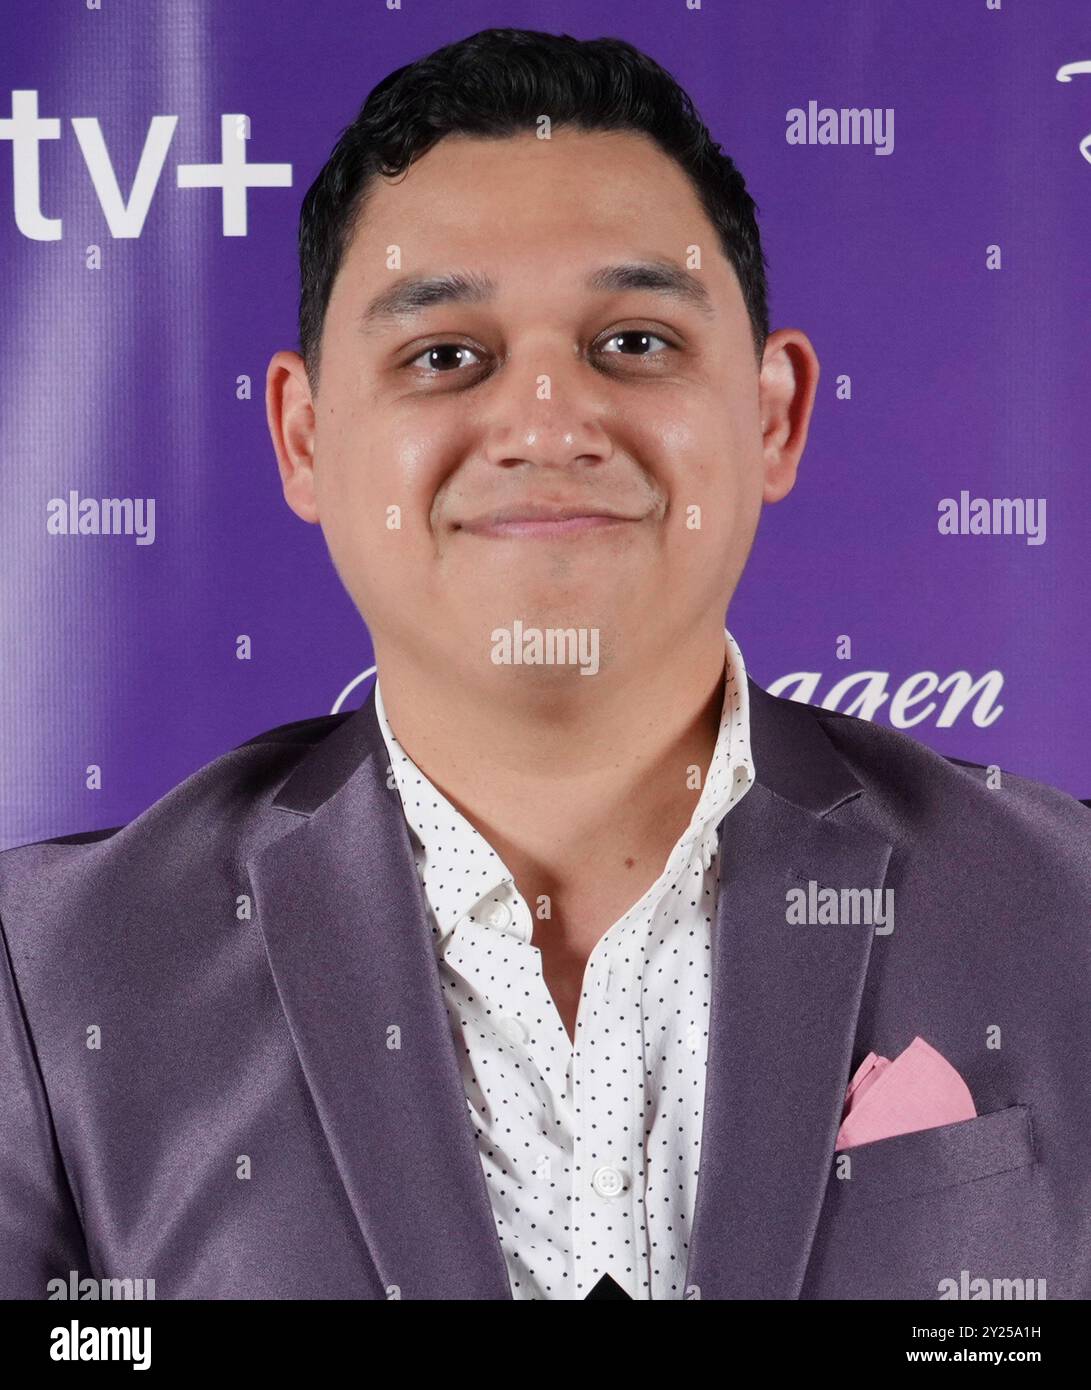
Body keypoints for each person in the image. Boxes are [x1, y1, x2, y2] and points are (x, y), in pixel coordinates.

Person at [1, 27, 1088, 1302]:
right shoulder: (50, 981)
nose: (545, 422)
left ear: (770, 413)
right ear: (304, 438)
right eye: (444, 356)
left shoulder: (1062, 914)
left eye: (630, 342)